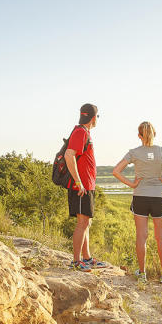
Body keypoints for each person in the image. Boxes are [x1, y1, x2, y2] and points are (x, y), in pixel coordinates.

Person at [111, 121, 162, 283]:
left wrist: (132, 184)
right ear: (155, 134)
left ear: (139, 136)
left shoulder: (134, 153)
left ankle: (142, 274)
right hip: (159, 197)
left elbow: (116, 171)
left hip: (140, 197)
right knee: (161, 236)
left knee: (141, 236)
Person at [64, 103, 109, 272]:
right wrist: (78, 182)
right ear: (93, 117)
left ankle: (87, 258)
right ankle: (76, 262)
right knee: (82, 223)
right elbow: (69, 155)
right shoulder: (80, 132)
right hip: (81, 186)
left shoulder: (84, 132)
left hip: (86, 185)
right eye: (97, 117)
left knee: (86, 222)